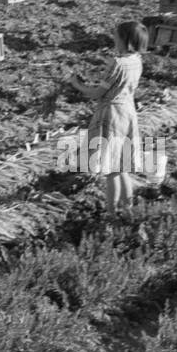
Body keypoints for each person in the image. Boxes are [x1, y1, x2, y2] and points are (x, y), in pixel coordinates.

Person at [69, 20, 147, 220]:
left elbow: (97, 93)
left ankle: (110, 214)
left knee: (111, 170)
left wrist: (77, 85)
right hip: (128, 112)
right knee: (123, 168)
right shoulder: (137, 60)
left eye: (116, 36)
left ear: (125, 39)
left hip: (111, 115)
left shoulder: (117, 63)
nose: (114, 39)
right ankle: (128, 210)